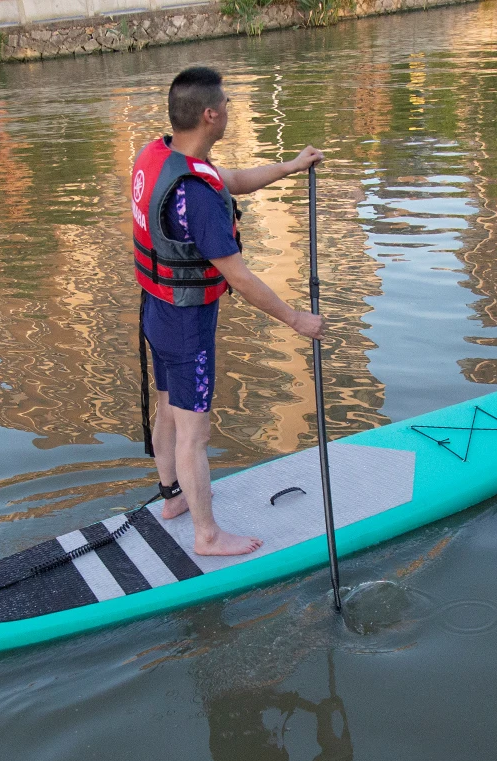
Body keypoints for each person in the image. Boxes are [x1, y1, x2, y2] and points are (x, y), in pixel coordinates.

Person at [131, 66, 324, 557]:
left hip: (155, 310)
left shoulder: (160, 157)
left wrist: (289, 166)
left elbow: (231, 180)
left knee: (168, 409)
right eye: (228, 103)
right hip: (187, 321)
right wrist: (298, 320)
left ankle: (172, 498)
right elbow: (239, 277)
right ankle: (207, 535)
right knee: (195, 431)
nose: (232, 109)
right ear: (211, 114)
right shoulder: (195, 198)